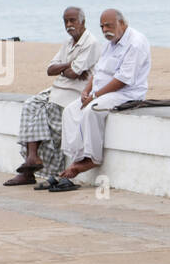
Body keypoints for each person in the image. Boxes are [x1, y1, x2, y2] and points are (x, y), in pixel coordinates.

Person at [3, 8, 102, 188]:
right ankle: (32, 158)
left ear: (83, 22)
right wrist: (70, 64)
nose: (69, 25)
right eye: (66, 21)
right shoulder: (68, 42)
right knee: (30, 104)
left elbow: (74, 74)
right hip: (57, 89)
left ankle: (30, 171)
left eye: (73, 21)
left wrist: (65, 69)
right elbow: (50, 69)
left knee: (47, 113)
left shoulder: (91, 43)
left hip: (74, 92)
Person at [54, 10, 151, 191]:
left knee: (93, 110)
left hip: (127, 93)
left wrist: (95, 97)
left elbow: (123, 80)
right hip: (101, 92)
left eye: (109, 25)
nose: (105, 30)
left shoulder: (136, 43)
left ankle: (92, 159)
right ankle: (77, 157)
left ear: (122, 23)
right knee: (70, 111)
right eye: (102, 26)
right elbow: (98, 71)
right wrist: (86, 91)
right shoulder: (110, 42)